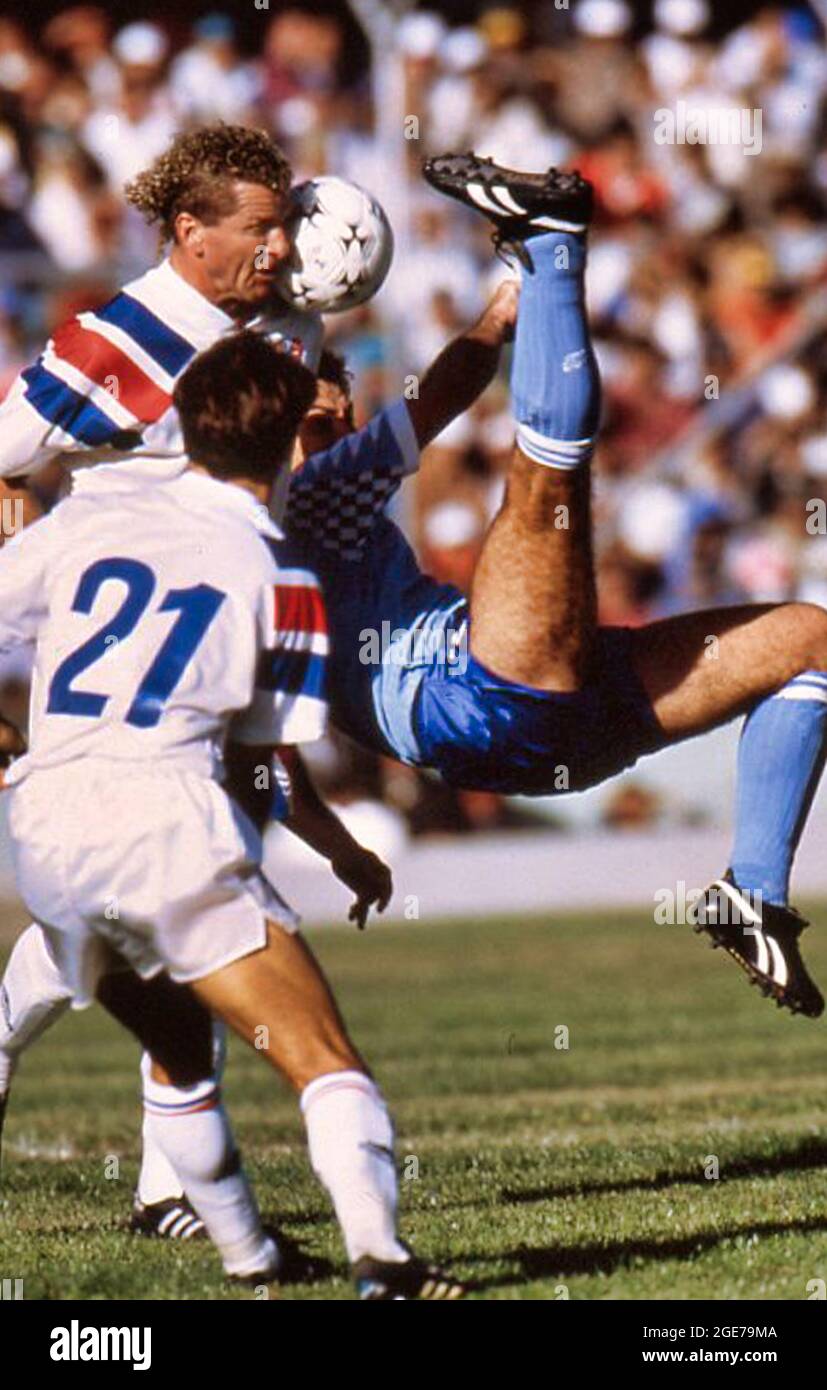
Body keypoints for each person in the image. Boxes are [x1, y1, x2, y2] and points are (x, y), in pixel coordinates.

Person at [0, 331, 463, 1301]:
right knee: (318, 1055)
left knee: (179, 1049)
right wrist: (328, 851)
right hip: (161, 812)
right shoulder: (280, 575)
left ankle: (254, 1260)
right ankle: (382, 1256)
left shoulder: (90, 522)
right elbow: (262, 758)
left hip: (40, 826)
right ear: (292, 441)